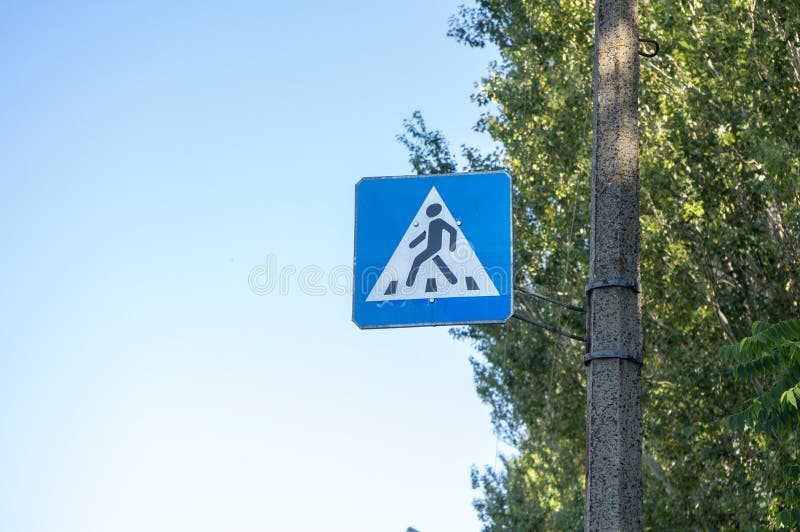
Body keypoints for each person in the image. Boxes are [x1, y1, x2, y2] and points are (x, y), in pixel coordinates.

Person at [405, 203, 458, 287]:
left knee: (417, 260)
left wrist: (452, 246)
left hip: (434, 247)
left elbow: (453, 231)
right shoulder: (430, 223)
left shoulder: (439, 221)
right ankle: (454, 281)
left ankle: (409, 284)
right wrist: (412, 244)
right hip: (432, 247)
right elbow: (424, 235)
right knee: (438, 261)